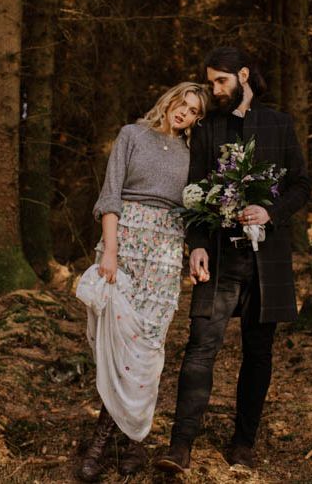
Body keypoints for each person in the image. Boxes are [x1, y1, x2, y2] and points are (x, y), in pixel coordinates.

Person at [156, 46, 311, 473]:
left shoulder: (279, 124)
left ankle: (243, 444)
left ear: (244, 74)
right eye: (210, 82)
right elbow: (192, 192)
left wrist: (272, 211)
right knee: (200, 347)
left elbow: (301, 184)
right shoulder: (208, 128)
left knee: (259, 353)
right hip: (220, 257)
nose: (214, 89)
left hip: (268, 258)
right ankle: (179, 446)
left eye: (221, 81)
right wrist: (198, 243)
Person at [75, 82, 208, 482]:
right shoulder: (132, 135)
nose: (184, 113)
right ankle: (120, 439)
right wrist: (111, 251)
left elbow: (191, 214)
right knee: (114, 345)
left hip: (165, 253)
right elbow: (110, 195)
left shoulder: (192, 156)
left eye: (194, 111)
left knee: (148, 347)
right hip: (124, 245)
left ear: (198, 120)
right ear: (169, 101)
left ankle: (122, 440)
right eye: (182, 104)